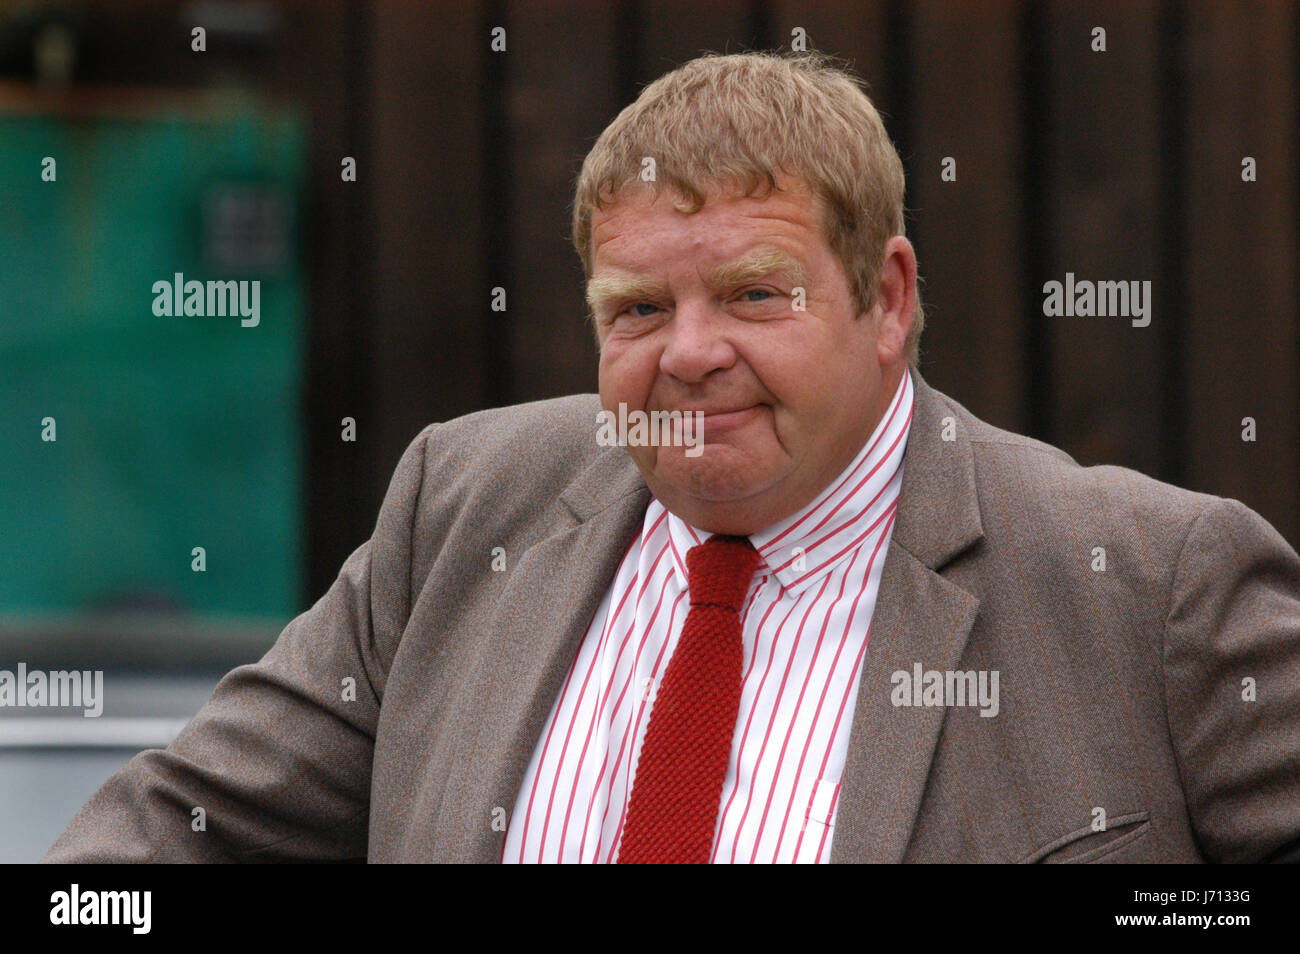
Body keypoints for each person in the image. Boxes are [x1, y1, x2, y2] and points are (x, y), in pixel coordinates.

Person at [46, 51, 1300, 864]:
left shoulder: (1149, 583)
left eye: (755, 295)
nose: (687, 356)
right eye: (638, 309)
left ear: (886, 299)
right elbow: (171, 837)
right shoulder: (464, 505)